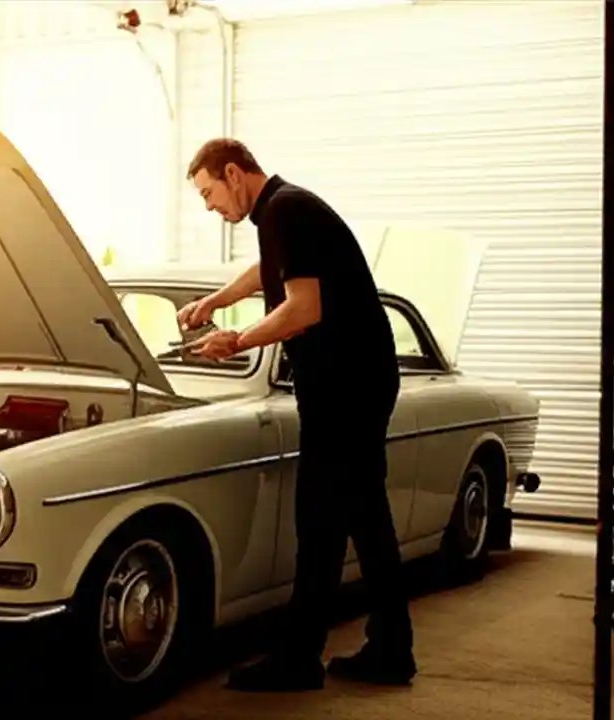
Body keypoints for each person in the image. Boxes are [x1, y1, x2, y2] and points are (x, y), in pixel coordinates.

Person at [179, 138, 416, 691]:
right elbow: (268, 272)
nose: (210, 206)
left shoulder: (286, 208)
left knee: (323, 519)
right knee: (356, 518)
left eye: (209, 192)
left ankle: (302, 659)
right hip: (354, 381)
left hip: (345, 387)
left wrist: (236, 340)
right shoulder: (285, 210)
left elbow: (304, 308)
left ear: (234, 174)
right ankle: (386, 649)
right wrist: (215, 302)